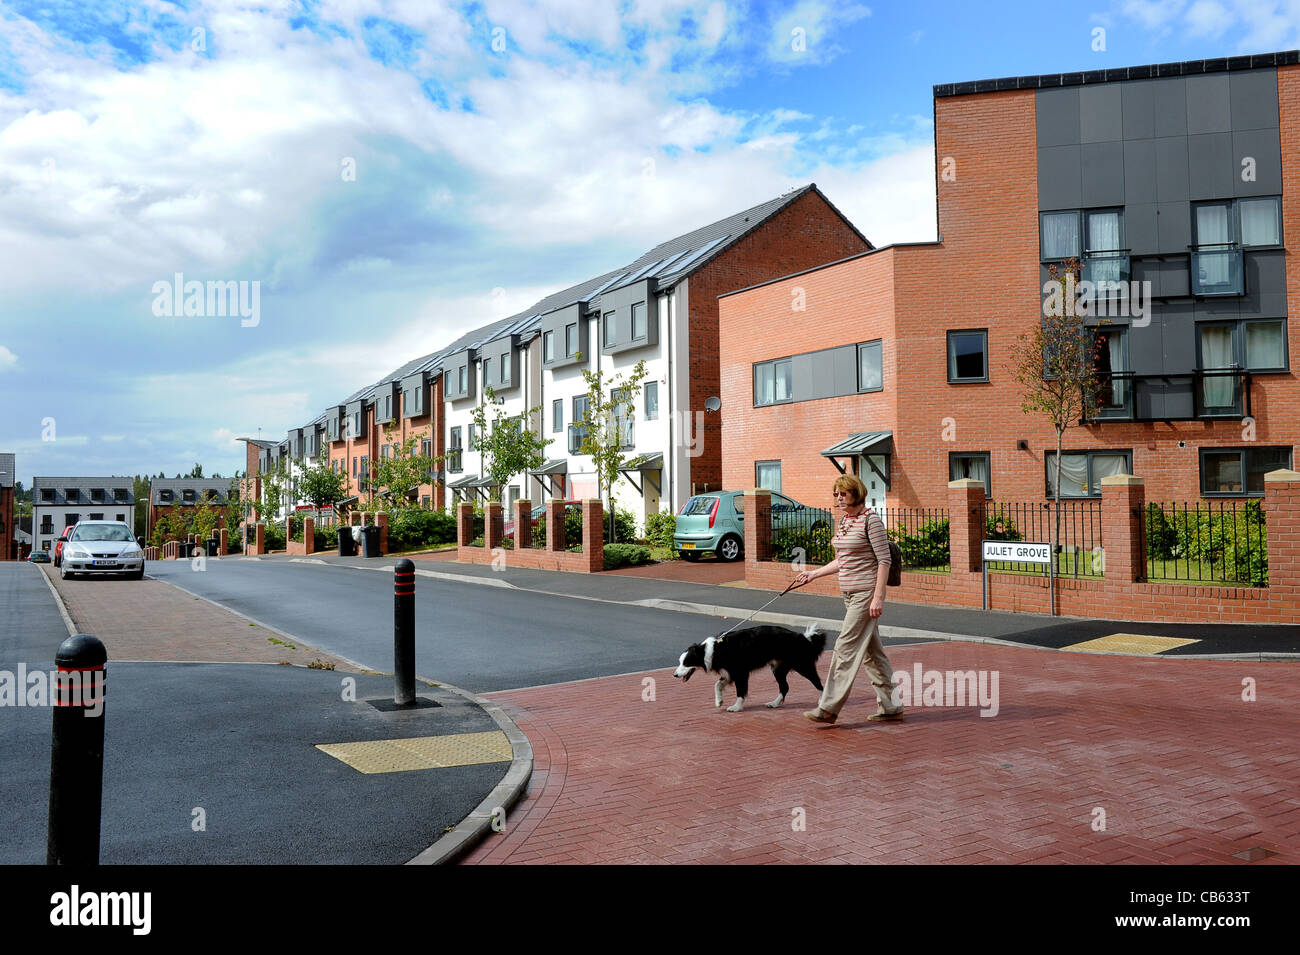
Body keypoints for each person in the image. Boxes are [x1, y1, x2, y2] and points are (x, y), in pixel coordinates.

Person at [793, 474, 903, 725]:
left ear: (856, 493)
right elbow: (842, 561)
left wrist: (878, 598)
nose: (838, 498)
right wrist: (813, 574)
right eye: (835, 494)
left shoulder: (870, 521)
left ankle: (829, 707)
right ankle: (891, 706)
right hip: (849, 594)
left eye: (843, 493)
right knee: (872, 654)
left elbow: (884, 560)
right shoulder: (844, 521)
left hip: (866, 595)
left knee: (844, 648)